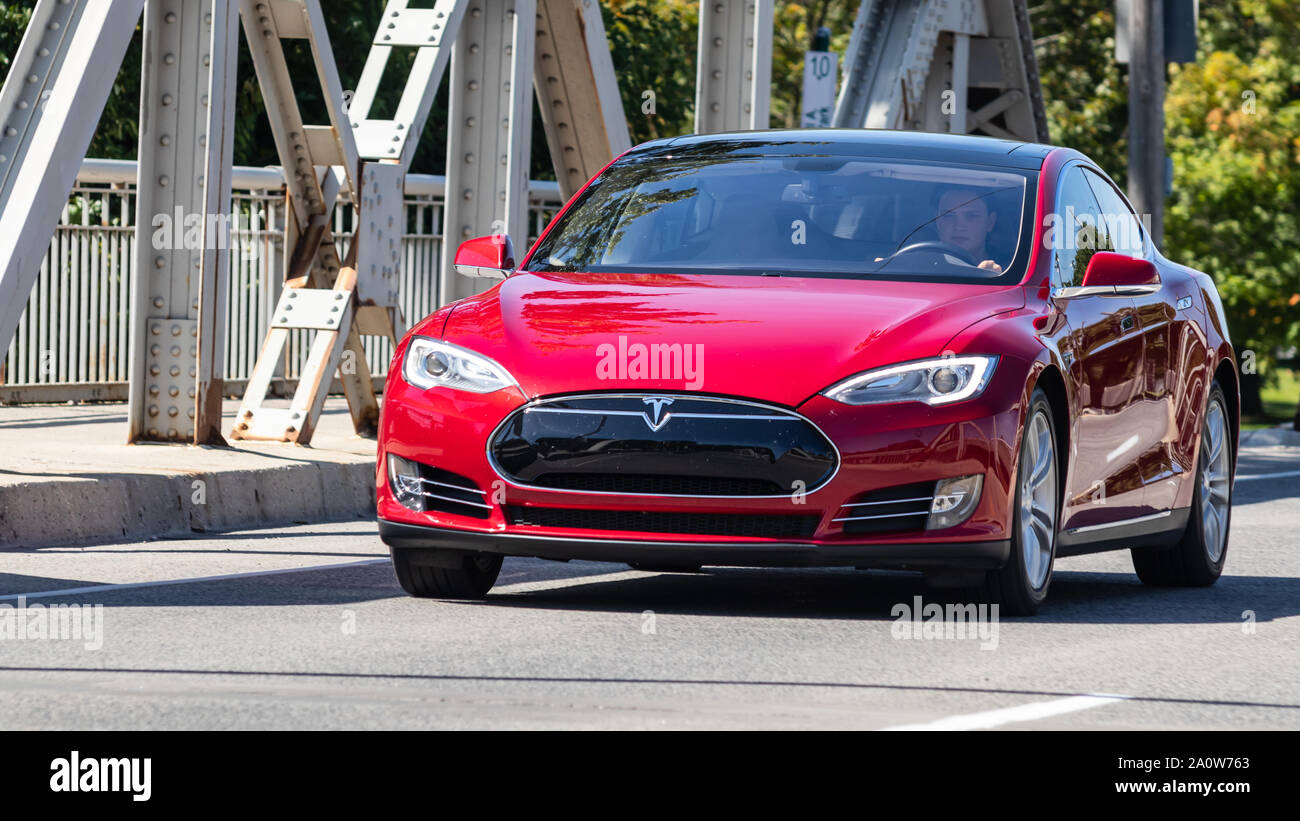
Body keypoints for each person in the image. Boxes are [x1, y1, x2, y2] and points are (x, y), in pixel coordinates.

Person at [934, 187, 1003, 272]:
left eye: (971, 216)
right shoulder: (919, 267)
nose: (959, 227)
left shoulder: (1014, 270)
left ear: (990, 222)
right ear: (937, 221)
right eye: (949, 216)